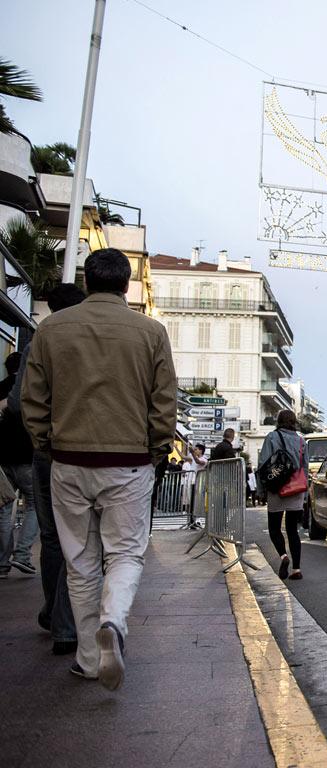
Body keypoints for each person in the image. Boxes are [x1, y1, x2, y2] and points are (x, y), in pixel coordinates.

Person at [22, 248, 177, 691]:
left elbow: (34, 399)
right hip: (128, 463)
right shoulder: (150, 333)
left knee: (80, 562)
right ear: (126, 285)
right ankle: (114, 622)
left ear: (87, 282)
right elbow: (163, 400)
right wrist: (154, 449)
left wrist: (46, 442)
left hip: (68, 461)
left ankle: (89, 658)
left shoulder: (51, 330)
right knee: (125, 553)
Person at [7, 283, 86, 655]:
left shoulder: (42, 337)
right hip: (87, 450)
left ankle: (57, 619)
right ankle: (65, 621)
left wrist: (42, 437)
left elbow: (19, 399)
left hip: (48, 450)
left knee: (53, 538)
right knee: (81, 538)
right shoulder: (96, 337)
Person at [0, 351, 39, 578]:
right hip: (27, 458)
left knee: (4, 510)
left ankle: (2, 563)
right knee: (34, 505)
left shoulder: (0, 388)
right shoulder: (31, 389)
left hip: (3, 460)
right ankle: (22, 555)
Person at [258, 409, 308, 580]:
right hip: (296, 489)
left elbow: (263, 464)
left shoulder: (272, 437)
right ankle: (297, 569)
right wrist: (305, 493)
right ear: (294, 421)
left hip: (276, 488)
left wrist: (261, 490)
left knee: (274, 528)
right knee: (293, 530)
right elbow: (305, 468)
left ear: (278, 421)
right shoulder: (302, 441)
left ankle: (283, 556)